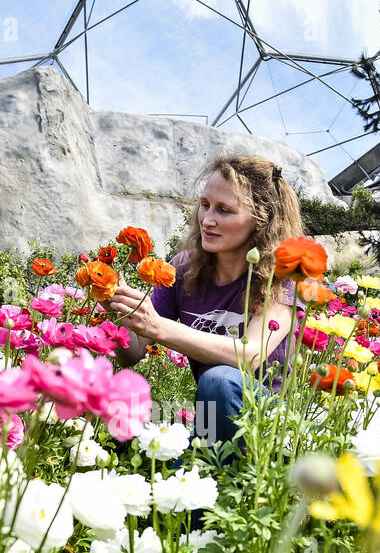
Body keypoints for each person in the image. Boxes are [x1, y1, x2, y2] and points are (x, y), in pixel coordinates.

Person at [108, 154, 304, 453]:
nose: (207, 220)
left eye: (224, 210)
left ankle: (214, 478)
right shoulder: (186, 268)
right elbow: (132, 355)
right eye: (205, 205)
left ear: (261, 222)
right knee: (128, 421)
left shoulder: (283, 277)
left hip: (267, 425)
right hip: (211, 421)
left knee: (220, 380)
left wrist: (157, 326)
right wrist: (121, 309)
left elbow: (249, 356)